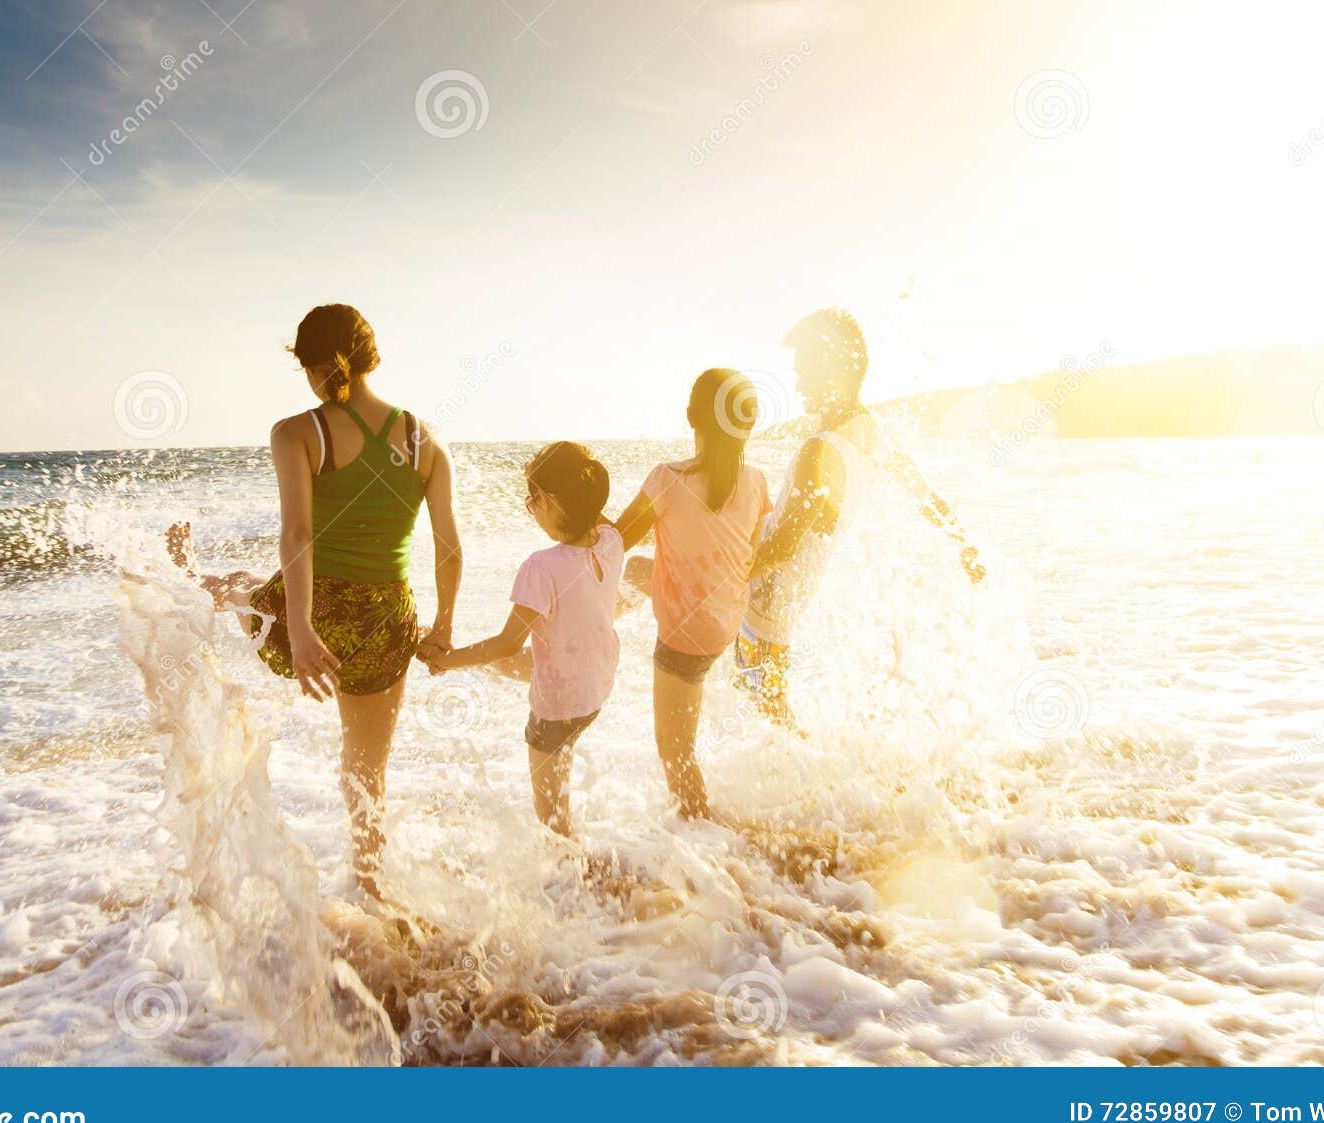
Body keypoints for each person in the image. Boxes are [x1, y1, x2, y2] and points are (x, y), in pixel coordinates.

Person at [167, 303, 462, 901]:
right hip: (389, 618)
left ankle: (191, 576)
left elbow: (298, 535)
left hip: (321, 607)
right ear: (369, 357)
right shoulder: (425, 438)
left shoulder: (298, 432)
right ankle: (372, 889)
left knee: (245, 591)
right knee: (366, 769)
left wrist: (300, 628)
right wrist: (444, 624)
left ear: (314, 365)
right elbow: (450, 546)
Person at [738, 308, 984, 728]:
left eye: (804, 370)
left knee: (766, 704)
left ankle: (814, 785)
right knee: (769, 704)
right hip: (790, 600)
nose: (797, 383)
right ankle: (811, 782)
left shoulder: (821, 448)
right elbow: (924, 496)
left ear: (830, 368)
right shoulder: (873, 434)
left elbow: (784, 544)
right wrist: (962, 542)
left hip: (766, 599)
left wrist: (720, 579)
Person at [417, 442, 620, 841]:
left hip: (557, 707)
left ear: (549, 500)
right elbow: (594, 515)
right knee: (524, 671)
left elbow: (508, 643)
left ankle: (575, 886)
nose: (532, 510)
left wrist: (447, 661)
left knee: (552, 822)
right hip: (594, 690)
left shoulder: (540, 567)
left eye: (533, 501)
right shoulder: (611, 541)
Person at [615, 370, 771, 821]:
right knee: (640, 571)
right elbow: (739, 546)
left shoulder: (668, 478)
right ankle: (606, 623)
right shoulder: (757, 481)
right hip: (724, 623)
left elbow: (617, 538)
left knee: (674, 751)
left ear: (690, 418)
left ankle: (704, 831)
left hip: (685, 639)